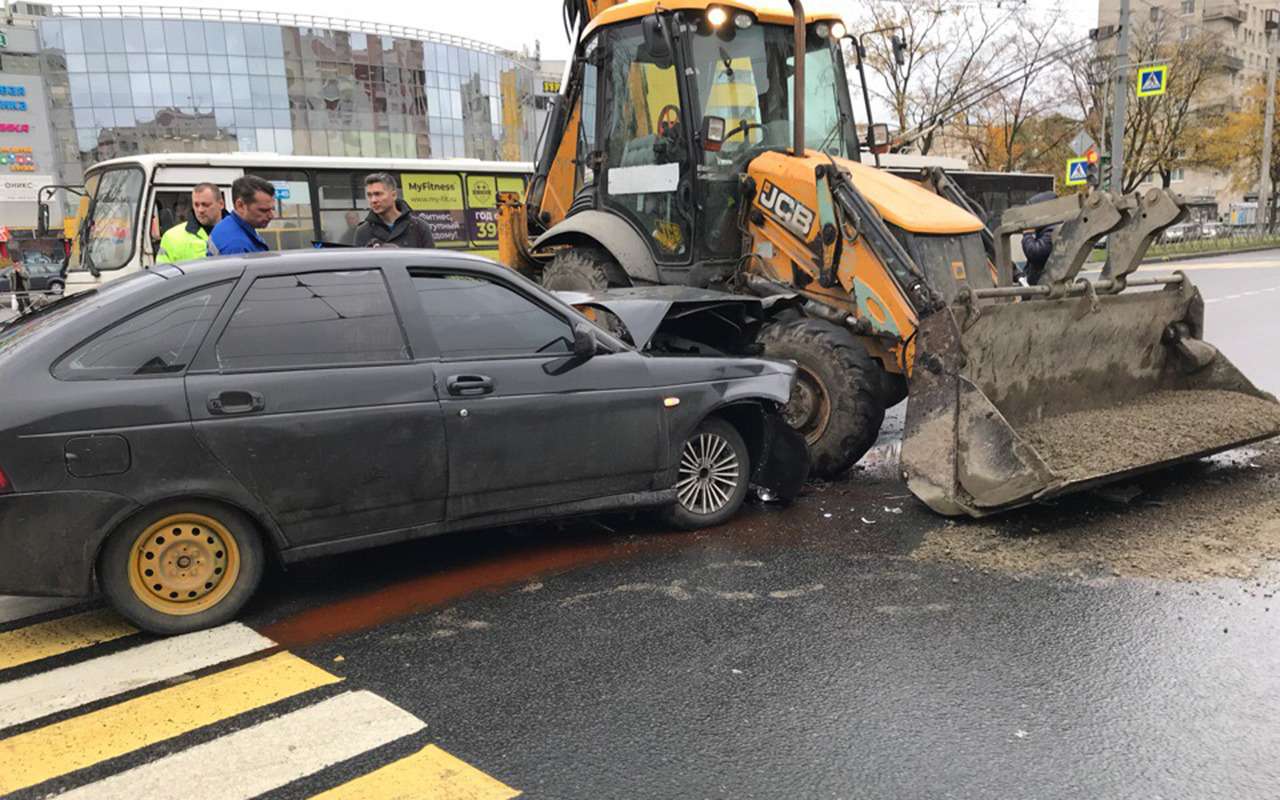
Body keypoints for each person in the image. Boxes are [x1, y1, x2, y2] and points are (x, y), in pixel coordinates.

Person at [354, 172, 434, 248]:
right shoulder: (363, 232)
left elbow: (429, 261)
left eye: (378, 194)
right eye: (369, 195)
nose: (373, 200)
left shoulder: (419, 228)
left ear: (394, 195)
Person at [157, 183, 226, 264]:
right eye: (196, 205)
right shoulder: (171, 237)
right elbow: (163, 273)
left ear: (221, 204)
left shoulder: (238, 232)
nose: (200, 210)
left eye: (205, 205)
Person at [208, 175, 275, 256]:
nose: (271, 215)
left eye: (272, 209)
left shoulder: (228, 224)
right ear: (240, 205)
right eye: (263, 210)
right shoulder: (237, 246)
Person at [1020, 190, 1057, 286]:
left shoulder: (1052, 230)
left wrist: (1027, 234)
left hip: (1043, 288)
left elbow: (1035, 254)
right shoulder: (1048, 228)